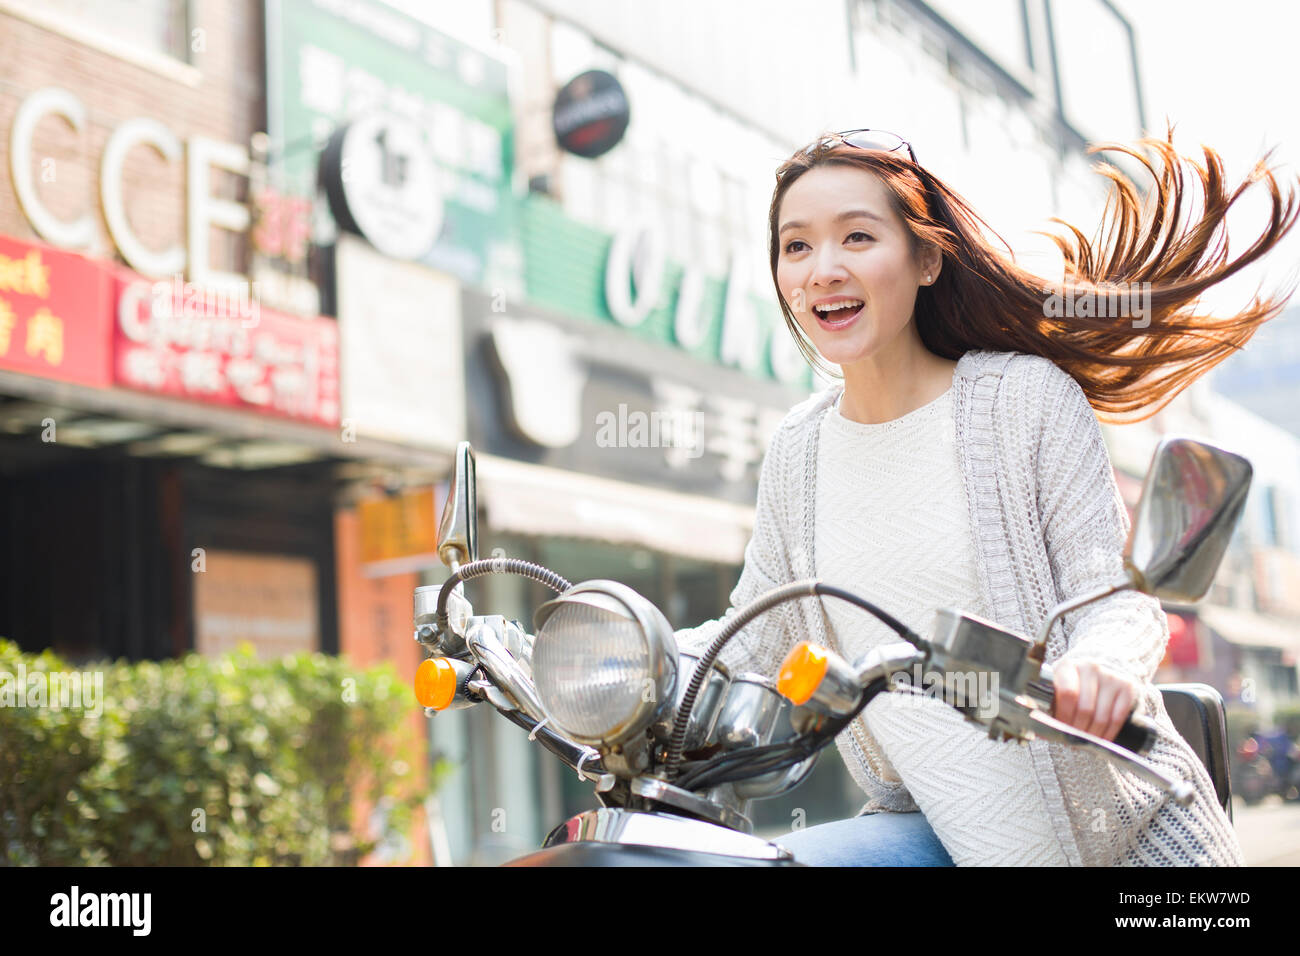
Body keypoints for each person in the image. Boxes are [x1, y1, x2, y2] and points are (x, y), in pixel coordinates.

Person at [674, 126, 1299, 866]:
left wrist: (1101, 665)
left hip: (1118, 838)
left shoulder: (1022, 400)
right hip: (931, 837)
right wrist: (594, 656)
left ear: (928, 258)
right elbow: (753, 637)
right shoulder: (798, 449)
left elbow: (1113, 595)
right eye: (797, 246)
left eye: (858, 237)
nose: (822, 270)